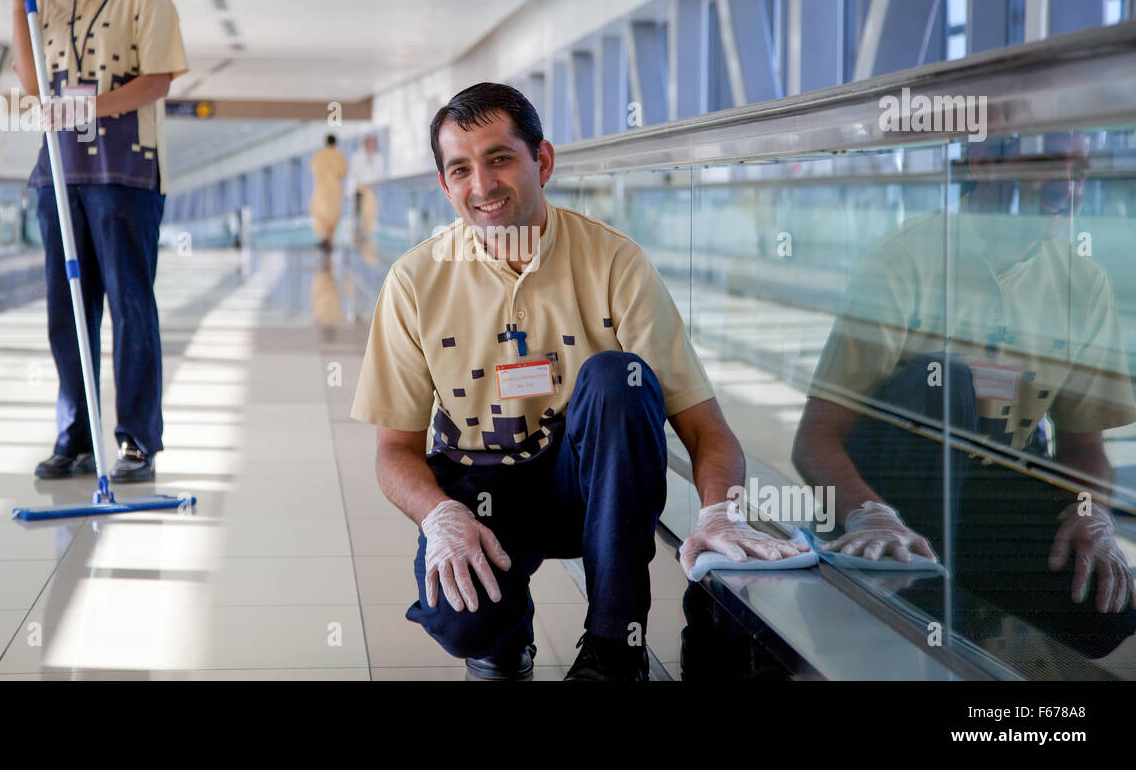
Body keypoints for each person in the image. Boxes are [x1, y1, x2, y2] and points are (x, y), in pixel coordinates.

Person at [350, 82, 806, 681]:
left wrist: (723, 512)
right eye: (460, 169)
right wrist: (440, 516)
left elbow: (705, 428)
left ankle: (616, 647)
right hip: (482, 488)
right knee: (465, 621)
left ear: (542, 160)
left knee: (619, 377)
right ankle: (504, 636)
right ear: (444, 185)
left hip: (589, 485)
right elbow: (393, 451)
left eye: (500, 159)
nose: (482, 186)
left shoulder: (614, 262)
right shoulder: (415, 281)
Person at [793, 132, 1136, 658]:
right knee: (946, 379)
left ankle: (970, 599)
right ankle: (920, 609)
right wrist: (872, 514)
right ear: (983, 161)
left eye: (1081, 172)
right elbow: (815, 440)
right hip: (898, 485)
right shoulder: (908, 258)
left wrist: (1091, 514)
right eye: (1050, 164)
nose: (1067, 188)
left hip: (993, 487)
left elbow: (1083, 448)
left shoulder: (1081, 282)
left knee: (1107, 608)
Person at [8, 0, 188, 483]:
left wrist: (91, 109)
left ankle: (138, 441)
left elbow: (157, 80)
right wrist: (18, 4)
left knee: (131, 307)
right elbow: (33, 83)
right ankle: (75, 440)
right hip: (59, 171)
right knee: (68, 313)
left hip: (126, 173)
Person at [310, 134, 347, 251]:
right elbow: (343, 173)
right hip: (334, 190)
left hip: (321, 190)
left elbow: (314, 169)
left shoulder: (318, 156)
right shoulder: (339, 156)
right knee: (333, 215)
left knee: (321, 214)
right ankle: (329, 239)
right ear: (335, 143)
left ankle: (325, 238)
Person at [348, 134, 384, 239]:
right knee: (358, 215)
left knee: (371, 215)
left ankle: (367, 236)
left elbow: (380, 175)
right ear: (364, 144)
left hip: (372, 191)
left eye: (372, 143)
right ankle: (356, 236)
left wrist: (371, 163)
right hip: (359, 190)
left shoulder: (378, 158)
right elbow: (353, 173)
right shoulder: (358, 157)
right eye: (368, 143)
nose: (370, 146)